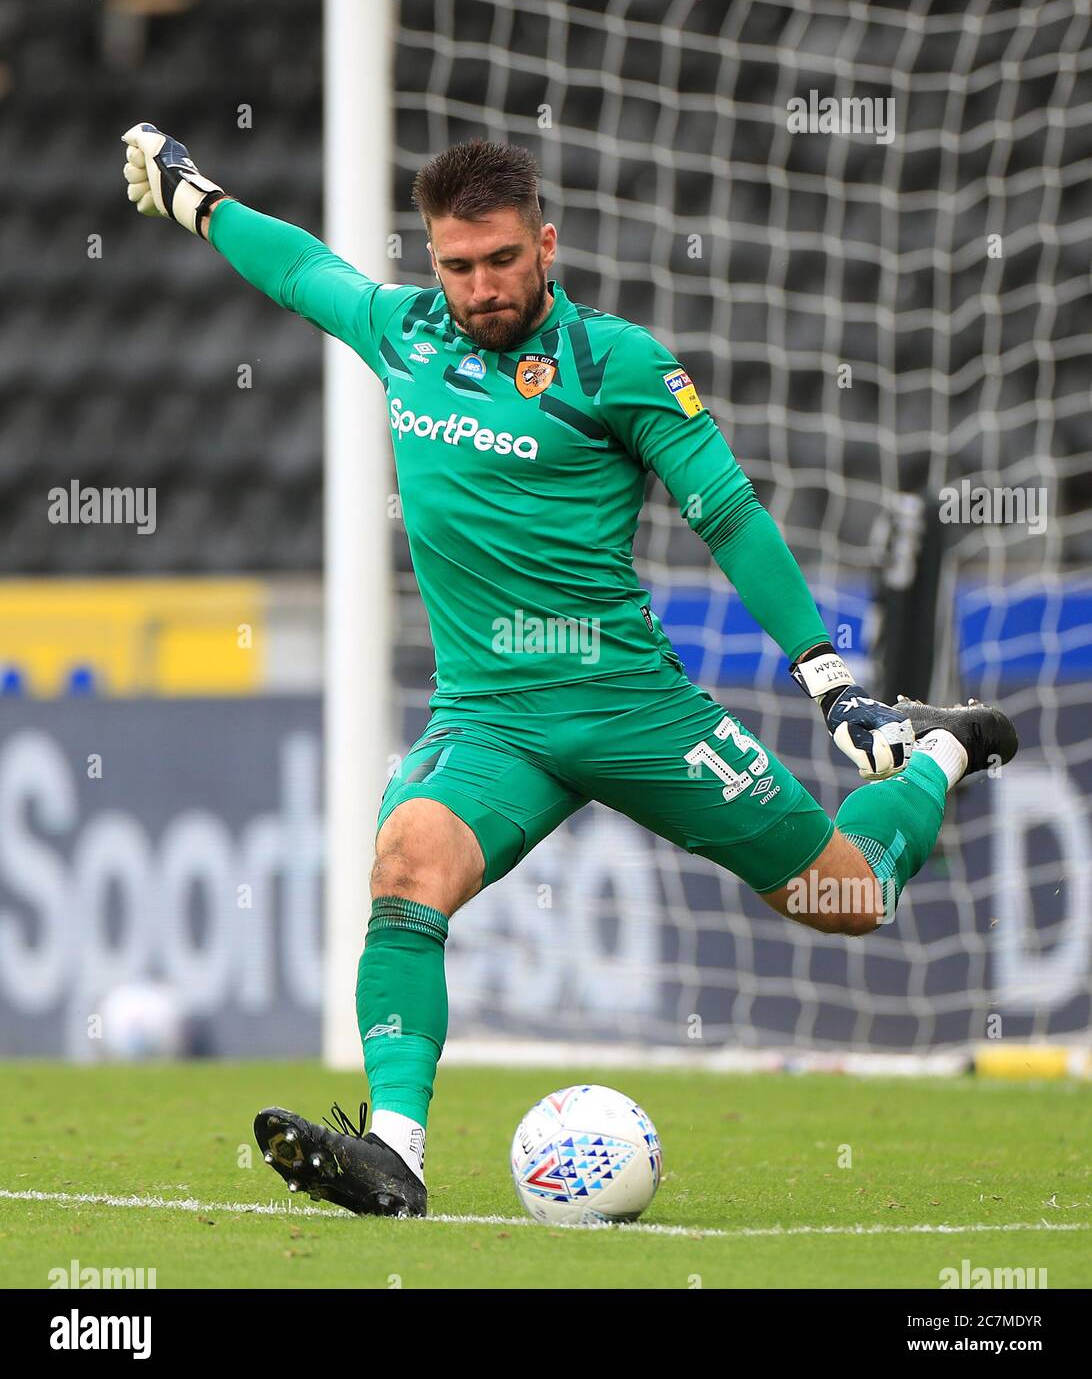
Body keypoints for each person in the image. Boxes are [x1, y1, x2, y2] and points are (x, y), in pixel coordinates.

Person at [121, 124, 1018, 1218]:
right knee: (406, 861)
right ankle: (394, 1150)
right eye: (458, 265)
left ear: (545, 244)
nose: (482, 286)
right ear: (434, 260)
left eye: (503, 260)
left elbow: (728, 514)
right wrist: (197, 200)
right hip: (490, 717)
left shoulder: (619, 363)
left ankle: (939, 750)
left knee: (850, 895)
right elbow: (305, 268)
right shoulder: (402, 332)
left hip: (630, 705)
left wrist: (831, 681)